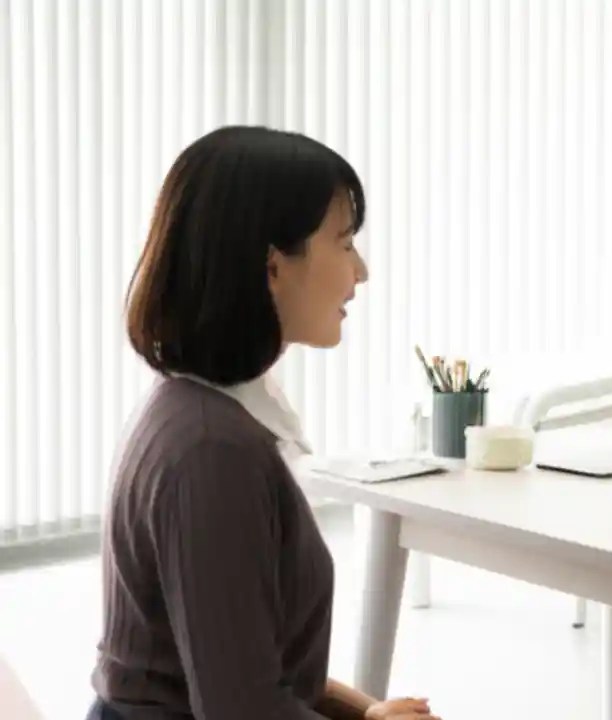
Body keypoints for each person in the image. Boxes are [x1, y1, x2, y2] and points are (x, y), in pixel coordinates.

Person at [88, 127, 440, 720]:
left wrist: (366, 711)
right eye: (344, 241)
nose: (362, 270)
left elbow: (248, 665)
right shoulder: (211, 454)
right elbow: (240, 709)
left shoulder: (199, 410)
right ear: (272, 265)